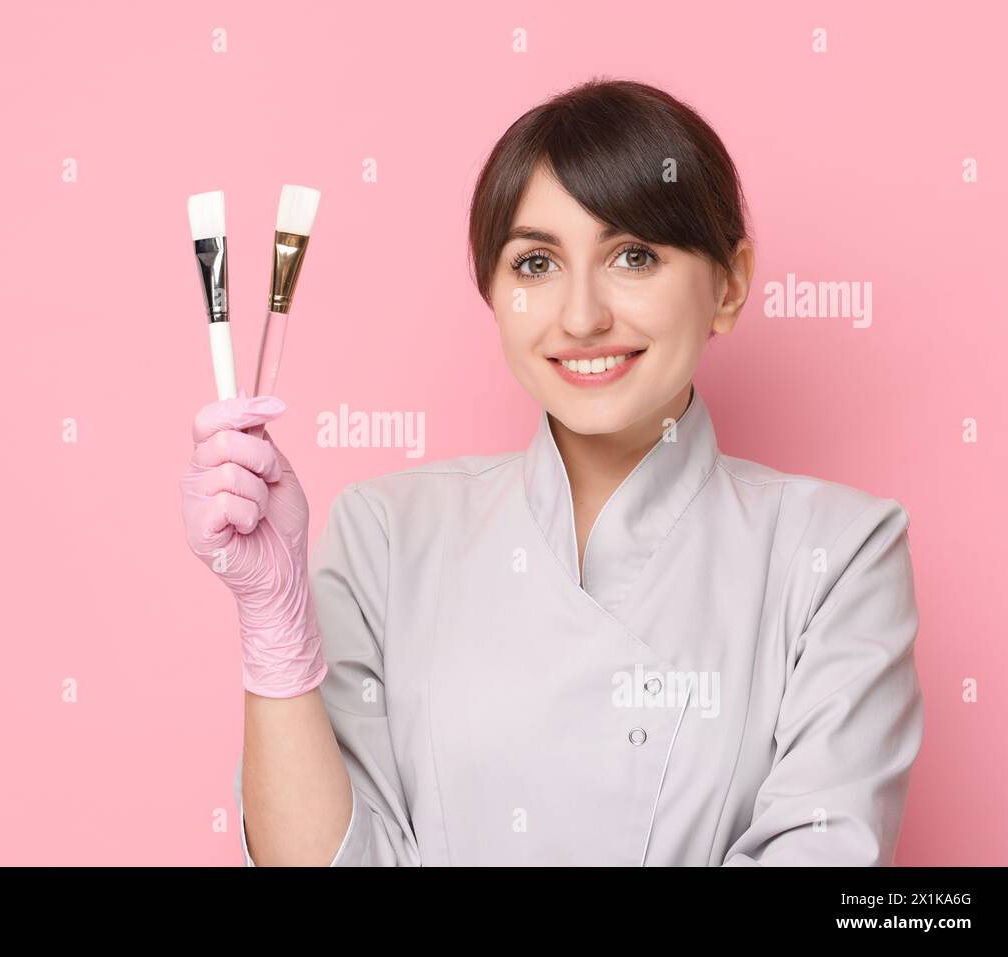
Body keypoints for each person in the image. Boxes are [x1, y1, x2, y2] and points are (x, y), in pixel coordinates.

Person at [180, 77, 924, 866]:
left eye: (634, 255)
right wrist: (274, 623)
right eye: (535, 263)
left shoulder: (840, 554)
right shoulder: (385, 533)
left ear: (729, 284)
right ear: (494, 293)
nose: (581, 316)